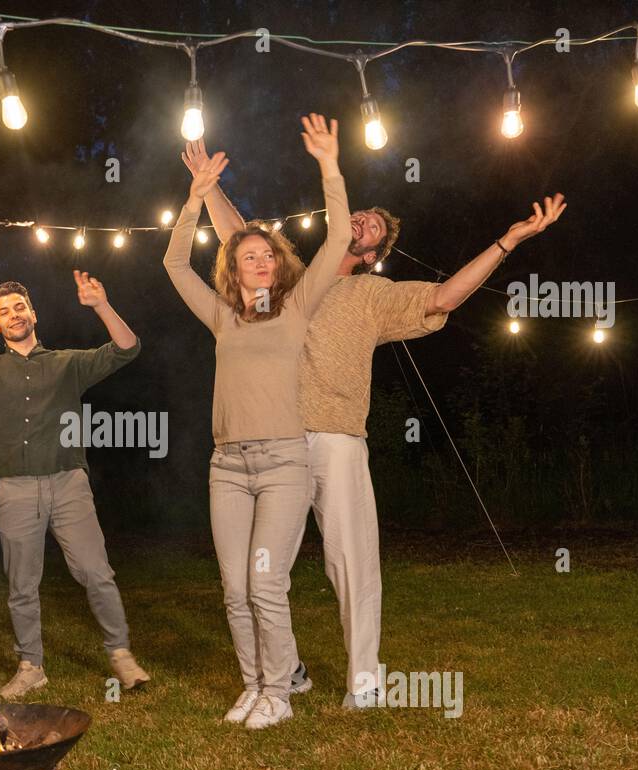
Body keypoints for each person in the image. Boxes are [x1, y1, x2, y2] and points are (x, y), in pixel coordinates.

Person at [188, 139, 566, 709]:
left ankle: (364, 682)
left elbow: (445, 296)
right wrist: (206, 183)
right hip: (277, 441)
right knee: (261, 572)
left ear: (372, 253)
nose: (360, 219)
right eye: (357, 214)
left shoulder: (376, 295)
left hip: (336, 438)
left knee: (350, 561)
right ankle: (284, 674)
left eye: (369, 226)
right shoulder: (292, 279)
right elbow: (237, 238)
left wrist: (507, 242)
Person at [163, 114, 352, 730]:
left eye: (267, 254)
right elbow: (174, 266)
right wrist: (193, 200)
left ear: (278, 264)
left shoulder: (297, 311)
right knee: (235, 588)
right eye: (248, 256)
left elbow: (341, 235)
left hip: (282, 465)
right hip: (227, 467)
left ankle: (280, 690)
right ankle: (254, 686)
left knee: (265, 582)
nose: (260, 262)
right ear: (235, 270)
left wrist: (329, 165)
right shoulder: (223, 319)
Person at [0, 270, 150, 699]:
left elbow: (128, 348)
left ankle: (121, 654)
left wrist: (100, 305)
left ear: (33, 313)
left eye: (20, 306)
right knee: (21, 583)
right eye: (4, 312)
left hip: (69, 482)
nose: (14, 314)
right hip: (14, 489)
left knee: (95, 571)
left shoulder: (68, 363)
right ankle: (31, 665)